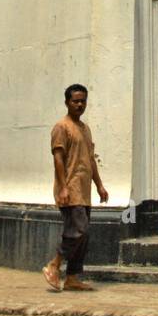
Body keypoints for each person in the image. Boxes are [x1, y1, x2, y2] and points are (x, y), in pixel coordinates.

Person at [42, 84, 108, 291]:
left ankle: (71, 277)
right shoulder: (62, 127)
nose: (79, 104)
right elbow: (58, 158)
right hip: (70, 189)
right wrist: (63, 187)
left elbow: (90, 159)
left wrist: (99, 185)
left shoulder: (85, 129)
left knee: (84, 235)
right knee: (78, 230)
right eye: (75, 101)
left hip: (84, 190)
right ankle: (54, 264)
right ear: (67, 103)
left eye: (83, 101)